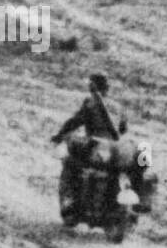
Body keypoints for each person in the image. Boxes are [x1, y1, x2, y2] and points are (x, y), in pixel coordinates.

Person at [50, 74, 153, 219]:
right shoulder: (118, 106)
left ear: (92, 86)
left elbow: (75, 122)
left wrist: (60, 135)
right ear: (107, 88)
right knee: (133, 170)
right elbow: (123, 129)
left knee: (71, 162)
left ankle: (70, 201)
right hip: (118, 150)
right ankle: (140, 200)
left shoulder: (90, 103)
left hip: (97, 148)